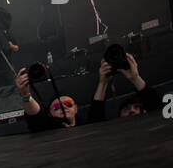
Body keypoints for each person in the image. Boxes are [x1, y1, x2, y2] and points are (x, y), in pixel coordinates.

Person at [15, 53, 162, 132]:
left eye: (67, 104)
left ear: (76, 108)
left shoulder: (87, 127)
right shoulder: (46, 129)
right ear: (50, 113)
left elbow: (96, 112)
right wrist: (26, 95)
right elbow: (36, 119)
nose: (63, 107)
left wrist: (134, 78)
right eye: (57, 107)